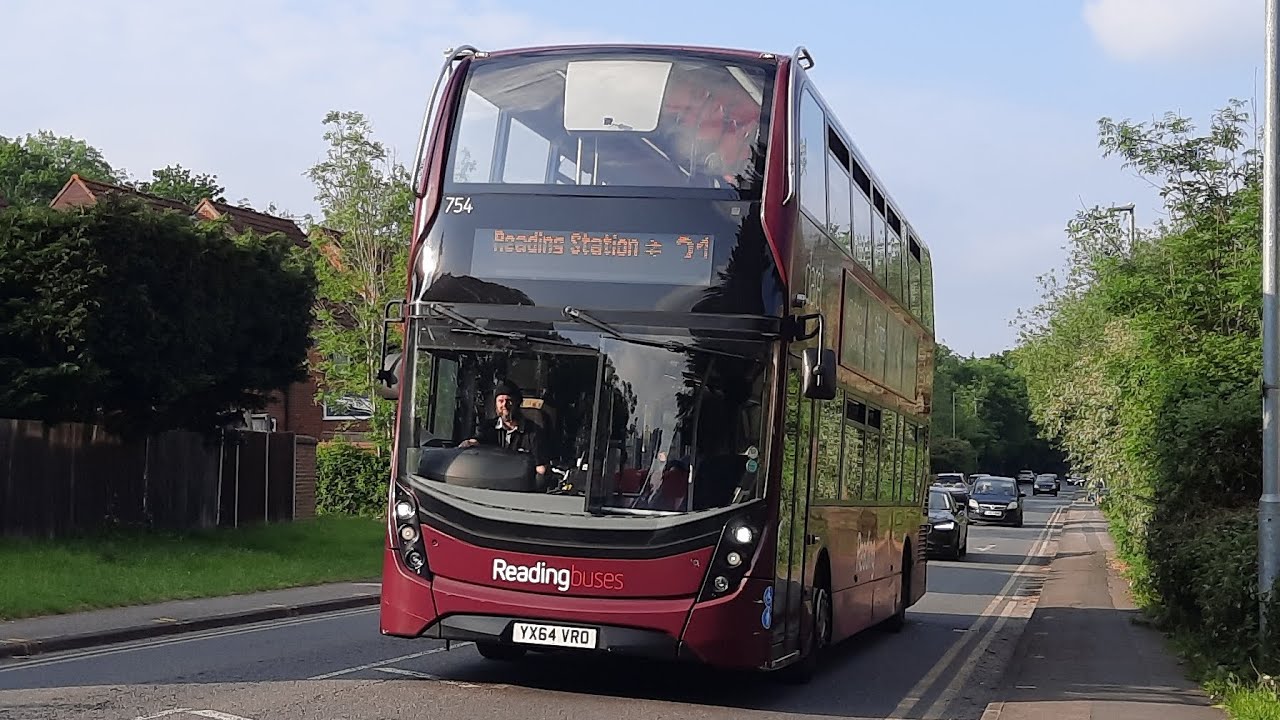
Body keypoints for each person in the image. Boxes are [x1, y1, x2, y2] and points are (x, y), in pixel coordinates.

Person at [460, 380, 549, 483]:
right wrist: (470, 443)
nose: (504, 405)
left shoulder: (533, 433)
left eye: (509, 400)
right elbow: (477, 442)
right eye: (500, 401)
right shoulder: (488, 428)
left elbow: (541, 469)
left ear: (517, 403)